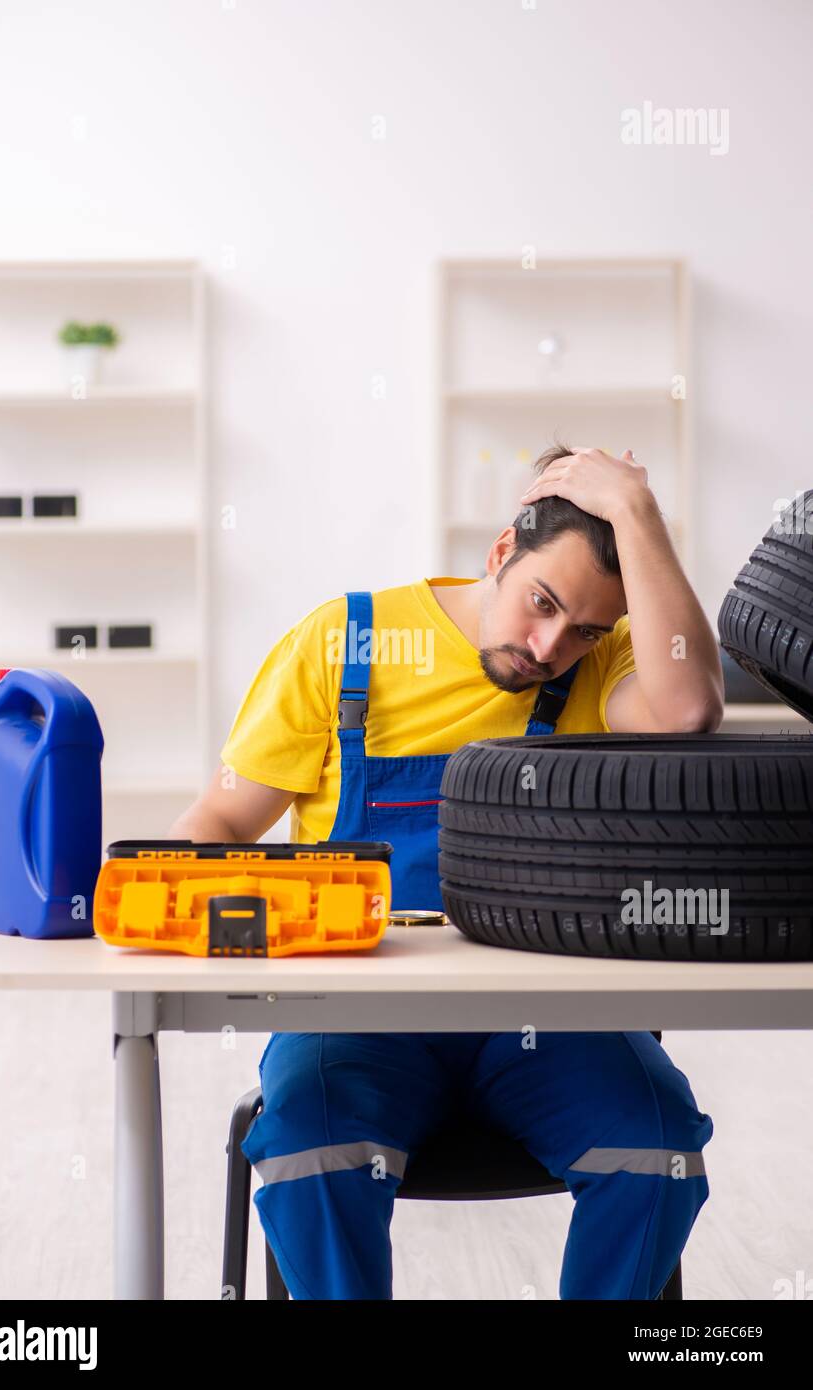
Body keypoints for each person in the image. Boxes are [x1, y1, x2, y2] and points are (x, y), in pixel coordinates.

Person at [169, 443, 722, 1299]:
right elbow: (219, 819)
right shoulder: (345, 642)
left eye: (583, 627)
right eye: (541, 603)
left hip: (548, 1018)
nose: (548, 647)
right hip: (355, 1016)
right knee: (310, 1149)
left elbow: (688, 711)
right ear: (500, 551)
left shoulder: (607, 671)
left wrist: (639, 513)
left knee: (657, 1146)